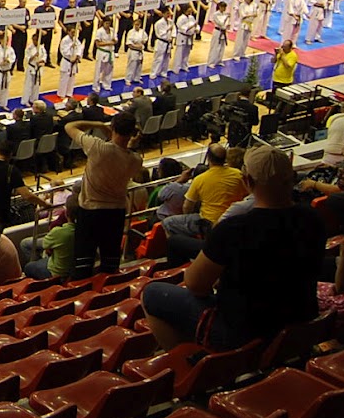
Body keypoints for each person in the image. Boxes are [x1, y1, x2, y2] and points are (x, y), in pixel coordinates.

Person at [141, 146, 325, 350]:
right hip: (299, 319)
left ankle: (186, 361)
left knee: (151, 292)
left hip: (241, 332)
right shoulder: (313, 218)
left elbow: (195, 285)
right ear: (292, 177)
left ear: (247, 182)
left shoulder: (233, 230)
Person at [63, 111, 143, 279]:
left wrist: (98, 124)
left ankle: (83, 295)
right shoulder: (136, 160)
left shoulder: (97, 147)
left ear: (112, 127)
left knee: (83, 264)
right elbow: (125, 154)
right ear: (132, 133)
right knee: (110, 263)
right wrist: (131, 145)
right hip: (116, 213)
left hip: (91, 212)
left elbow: (69, 126)